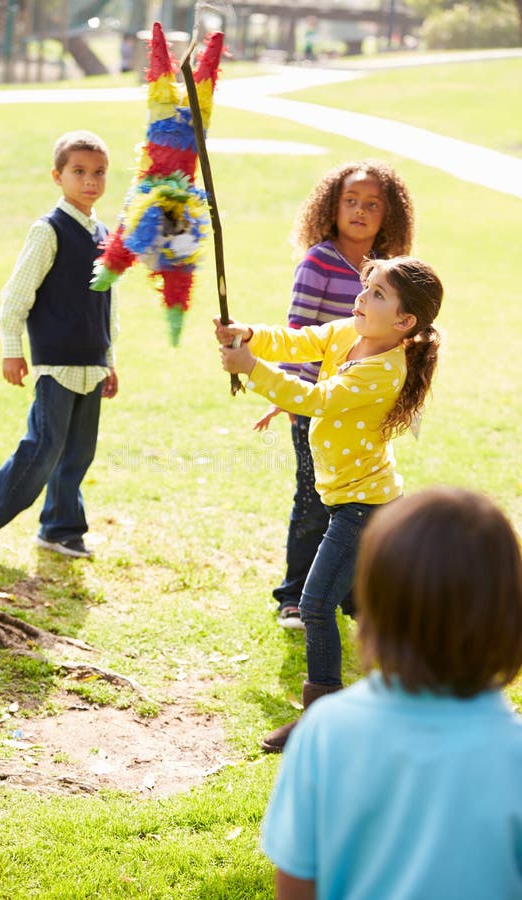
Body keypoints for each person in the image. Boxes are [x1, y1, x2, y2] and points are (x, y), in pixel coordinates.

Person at [215, 254, 443, 751]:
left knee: (316, 605)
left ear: (405, 323)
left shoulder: (384, 370)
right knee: (360, 604)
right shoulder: (350, 333)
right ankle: (429, 671)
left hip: (365, 507)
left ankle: (320, 716)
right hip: (348, 500)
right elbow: (302, 340)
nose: (362, 297)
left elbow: (316, 399)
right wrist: (251, 333)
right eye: (367, 287)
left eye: (378, 294)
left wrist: (250, 368)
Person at [261, 486, 522, 899]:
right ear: (508, 613)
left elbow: (296, 886)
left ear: (375, 606)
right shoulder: (514, 753)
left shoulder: (327, 730)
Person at [254, 161, 414, 630]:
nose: (360, 211)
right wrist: (289, 393)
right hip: (313, 401)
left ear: (390, 215)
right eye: (350, 201)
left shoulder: (387, 271)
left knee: (356, 507)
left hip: (362, 403)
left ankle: (347, 595)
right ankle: (294, 594)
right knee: (313, 499)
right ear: (332, 205)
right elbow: (301, 332)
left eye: (372, 204)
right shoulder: (319, 261)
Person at [0, 130, 118, 559]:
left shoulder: (105, 234)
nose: (90, 180)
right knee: (42, 451)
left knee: (78, 454)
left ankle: (61, 528)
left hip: (92, 363)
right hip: (56, 365)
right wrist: (13, 350)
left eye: (99, 172)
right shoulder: (48, 231)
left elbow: (109, 303)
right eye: (79, 171)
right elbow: (16, 295)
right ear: (58, 175)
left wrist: (109, 358)